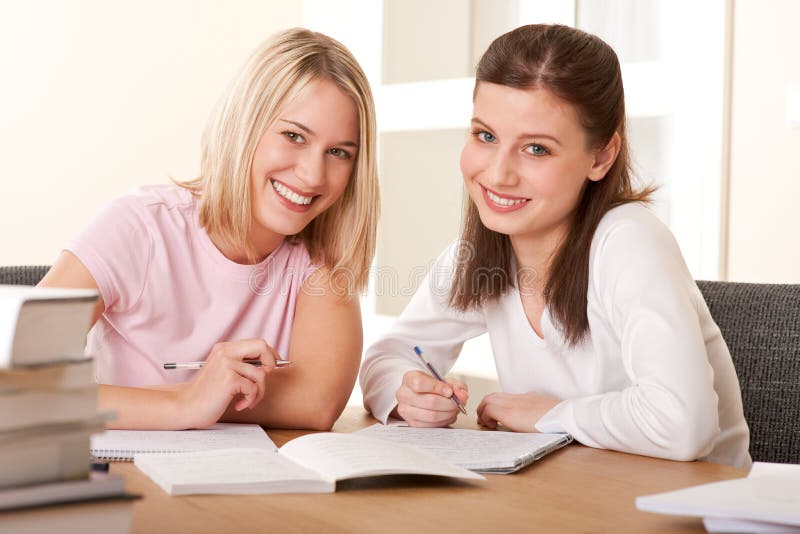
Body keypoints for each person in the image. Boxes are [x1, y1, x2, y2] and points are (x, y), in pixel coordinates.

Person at [360, 24, 750, 467]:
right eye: (485, 136)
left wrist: (551, 414)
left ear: (601, 156)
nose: (499, 173)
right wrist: (407, 393)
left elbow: (684, 426)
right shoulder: (480, 254)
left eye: (537, 150)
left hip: (687, 510)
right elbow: (387, 358)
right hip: (569, 498)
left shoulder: (628, 241)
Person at [39, 28, 379, 431]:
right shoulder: (139, 227)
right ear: (245, 126)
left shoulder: (322, 258)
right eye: (293, 136)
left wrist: (199, 398)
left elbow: (316, 402)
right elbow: (16, 384)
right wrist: (185, 403)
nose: (312, 174)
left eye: (338, 152)